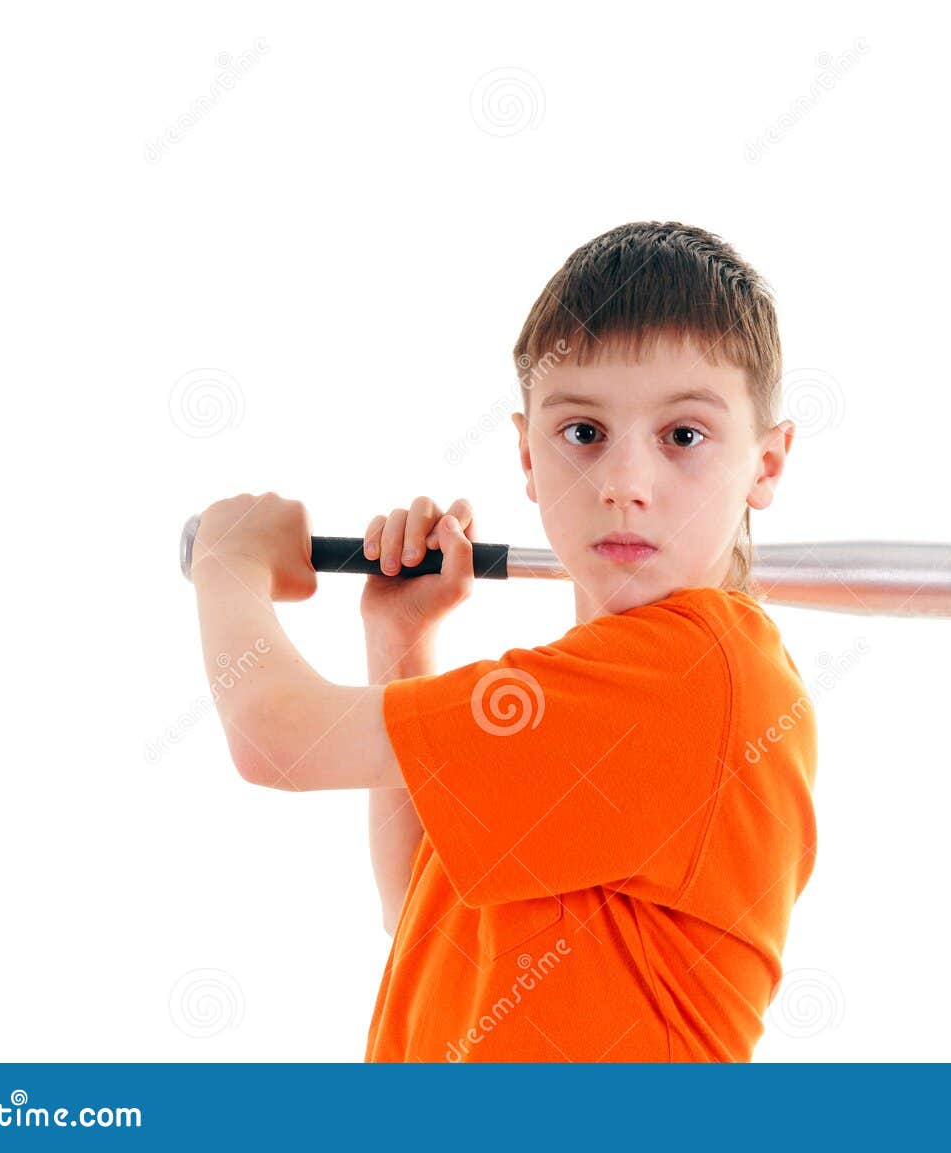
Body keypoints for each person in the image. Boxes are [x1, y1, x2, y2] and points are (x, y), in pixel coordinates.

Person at [187, 221, 817, 1061]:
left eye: (684, 435)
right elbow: (417, 904)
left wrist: (229, 568)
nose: (625, 485)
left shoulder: (698, 672)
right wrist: (398, 639)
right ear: (527, 450)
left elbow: (276, 737)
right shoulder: (576, 700)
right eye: (584, 433)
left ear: (766, 464)